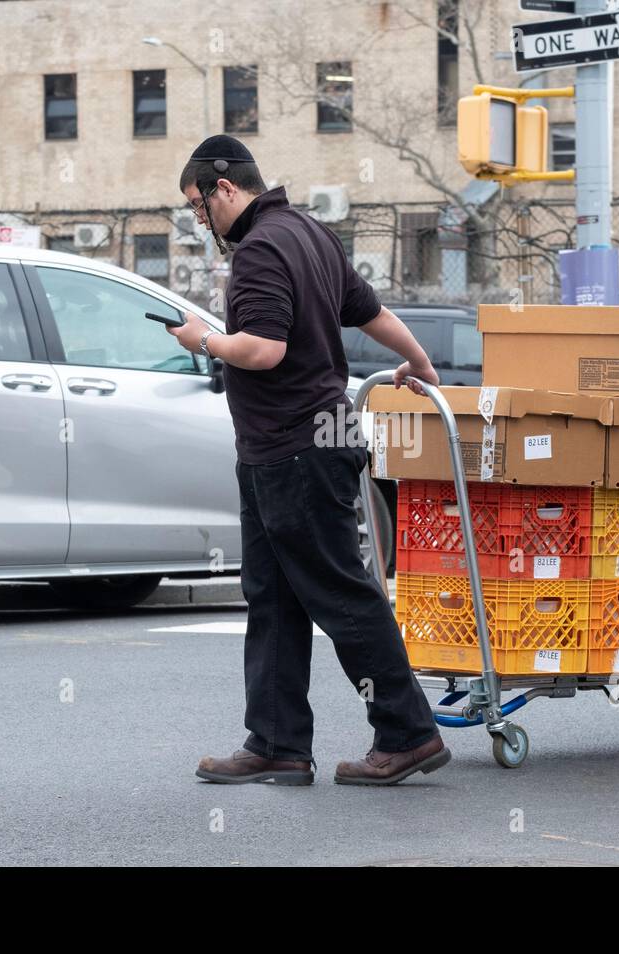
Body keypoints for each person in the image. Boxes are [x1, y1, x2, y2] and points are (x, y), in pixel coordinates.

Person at [166, 135, 449, 786]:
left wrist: (202, 338)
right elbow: (370, 311)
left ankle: (407, 733)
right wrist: (422, 361)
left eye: (199, 205)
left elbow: (263, 350)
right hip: (283, 446)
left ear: (226, 188)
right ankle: (277, 743)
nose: (199, 219)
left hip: (296, 443)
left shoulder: (263, 248)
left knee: (338, 591)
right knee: (272, 597)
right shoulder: (311, 235)